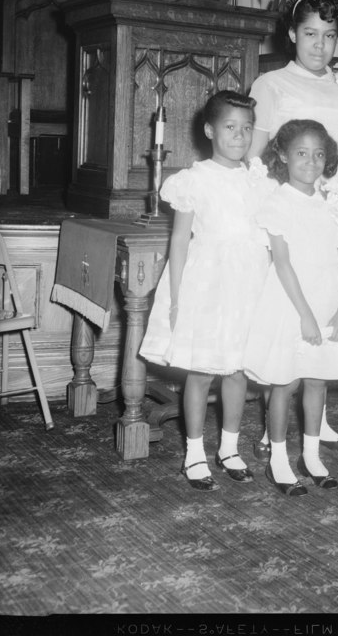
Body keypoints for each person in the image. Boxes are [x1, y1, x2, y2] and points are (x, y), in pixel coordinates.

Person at [248, 0, 338, 450]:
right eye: (311, 34)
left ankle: (315, 419)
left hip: (333, 207)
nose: (321, 46)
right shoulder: (272, 85)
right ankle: (272, 422)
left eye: (330, 36)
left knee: (330, 307)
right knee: (288, 314)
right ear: (292, 34)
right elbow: (255, 157)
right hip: (290, 206)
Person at [139, 90, 276, 491]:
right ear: (210, 130)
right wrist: (178, 296)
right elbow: (180, 242)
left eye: (247, 128)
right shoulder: (192, 180)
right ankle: (195, 452)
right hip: (208, 283)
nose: (239, 136)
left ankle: (229, 448)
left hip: (250, 281)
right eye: (230, 127)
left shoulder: (259, 180)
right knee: (201, 371)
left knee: (237, 370)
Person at [244, 119, 338, 496]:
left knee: (318, 379)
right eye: (301, 153)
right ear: (283, 156)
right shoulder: (276, 202)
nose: (310, 161)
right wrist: (305, 315)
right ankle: (277, 459)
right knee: (285, 381)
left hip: (330, 299)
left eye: (318, 154)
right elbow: (283, 263)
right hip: (293, 301)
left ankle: (310, 455)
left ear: (328, 159)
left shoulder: (332, 204)